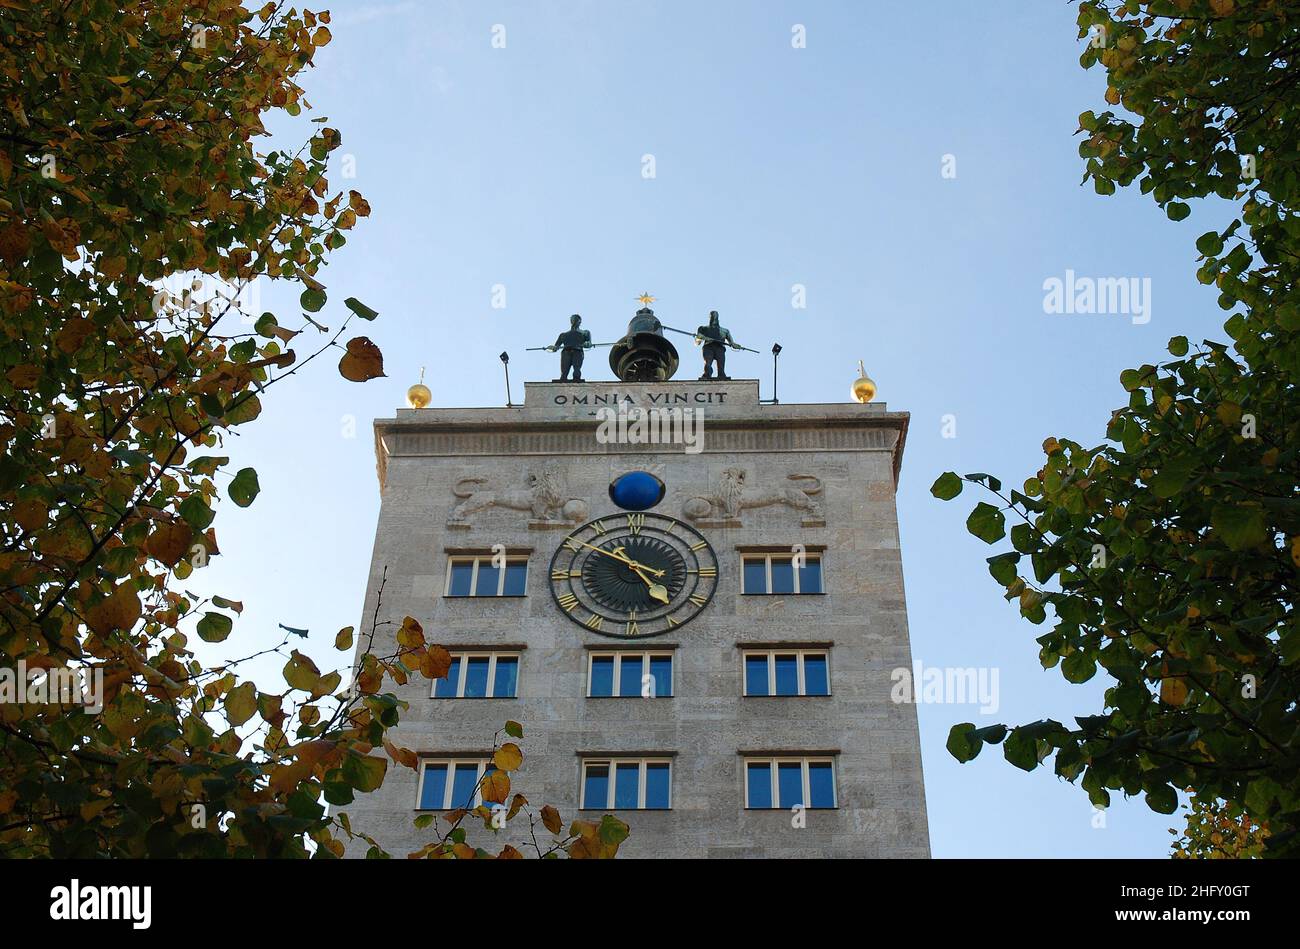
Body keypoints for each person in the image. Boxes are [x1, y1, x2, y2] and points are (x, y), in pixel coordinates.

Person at [548, 314, 592, 381]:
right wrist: (553, 347)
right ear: (571, 321)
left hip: (578, 352)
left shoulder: (585, 333)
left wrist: (587, 344)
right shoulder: (563, 335)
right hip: (566, 352)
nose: (574, 321)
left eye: (576, 320)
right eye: (573, 319)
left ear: (580, 321)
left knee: (577, 370)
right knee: (564, 373)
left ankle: (576, 380)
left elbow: (589, 343)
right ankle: (563, 382)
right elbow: (556, 347)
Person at [696, 310, 738, 380]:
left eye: (715, 317)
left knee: (721, 367)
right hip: (708, 347)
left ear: (717, 319)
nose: (713, 319)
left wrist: (736, 346)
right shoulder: (703, 329)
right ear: (710, 318)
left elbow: (732, 343)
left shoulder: (724, 331)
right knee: (707, 364)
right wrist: (699, 337)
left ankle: (721, 376)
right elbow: (697, 342)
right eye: (712, 317)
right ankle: (707, 374)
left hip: (720, 348)